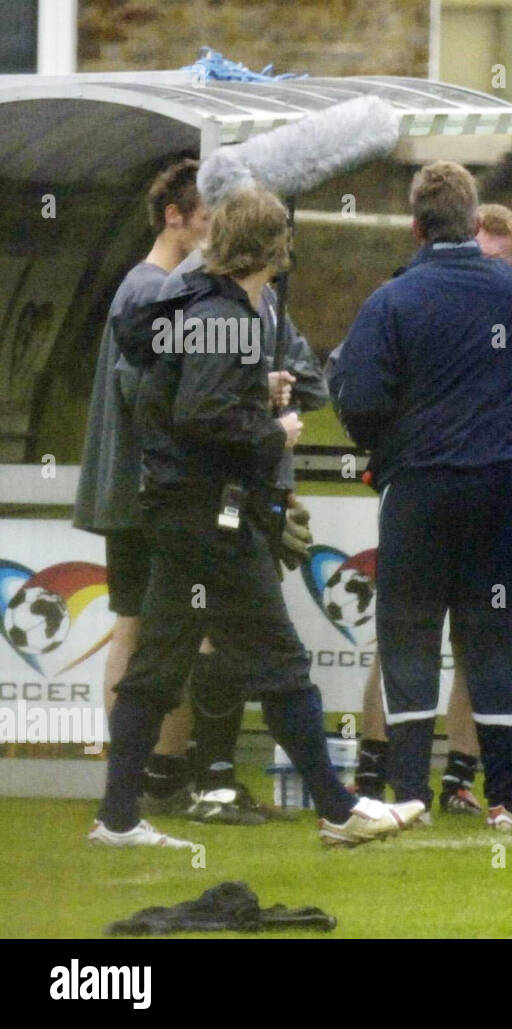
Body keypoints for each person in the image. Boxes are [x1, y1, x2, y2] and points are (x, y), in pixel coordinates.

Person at [89, 188, 424, 849]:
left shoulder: (192, 306)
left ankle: (119, 817)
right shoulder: (233, 316)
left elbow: (178, 393)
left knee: (156, 667)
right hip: (213, 512)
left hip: (176, 507)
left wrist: (251, 393)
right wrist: (275, 427)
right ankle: (338, 808)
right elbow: (202, 415)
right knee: (280, 662)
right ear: (276, 246)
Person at [350, 202, 512, 815]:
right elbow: (356, 385)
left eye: (496, 262)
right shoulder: (471, 303)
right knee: (430, 639)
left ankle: (455, 783)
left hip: (470, 494)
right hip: (481, 493)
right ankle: (393, 781)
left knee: (476, 642)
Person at [332, 162, 512, 832]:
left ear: (417, 225)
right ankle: (505, 797)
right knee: (499, 639)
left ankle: (408, 793)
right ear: (475, 220)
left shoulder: (392, 299)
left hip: (417, 489)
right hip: (499, 490)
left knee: (411, 635)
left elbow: (359, 398)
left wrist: (391, 445)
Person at [149, 203, 329, 826]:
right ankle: (207, 780)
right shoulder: (198, 304)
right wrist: (267, 425)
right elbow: (185, 408)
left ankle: (143, 800)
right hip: (208, 503)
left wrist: (267, 392)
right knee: (251, 652)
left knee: (176, 653)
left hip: (234, 496)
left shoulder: (259, 304)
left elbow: (310, 381)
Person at [72, 158, 209, 813]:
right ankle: (142, 776)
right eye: (205, 214)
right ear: (174, 217)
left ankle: (146, 776)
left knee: (146, 629)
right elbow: (141, 389)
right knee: (146, 631)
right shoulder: (150, 290)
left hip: (135, 492)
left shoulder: (146, 286)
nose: (213, 227)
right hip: (145, 493)